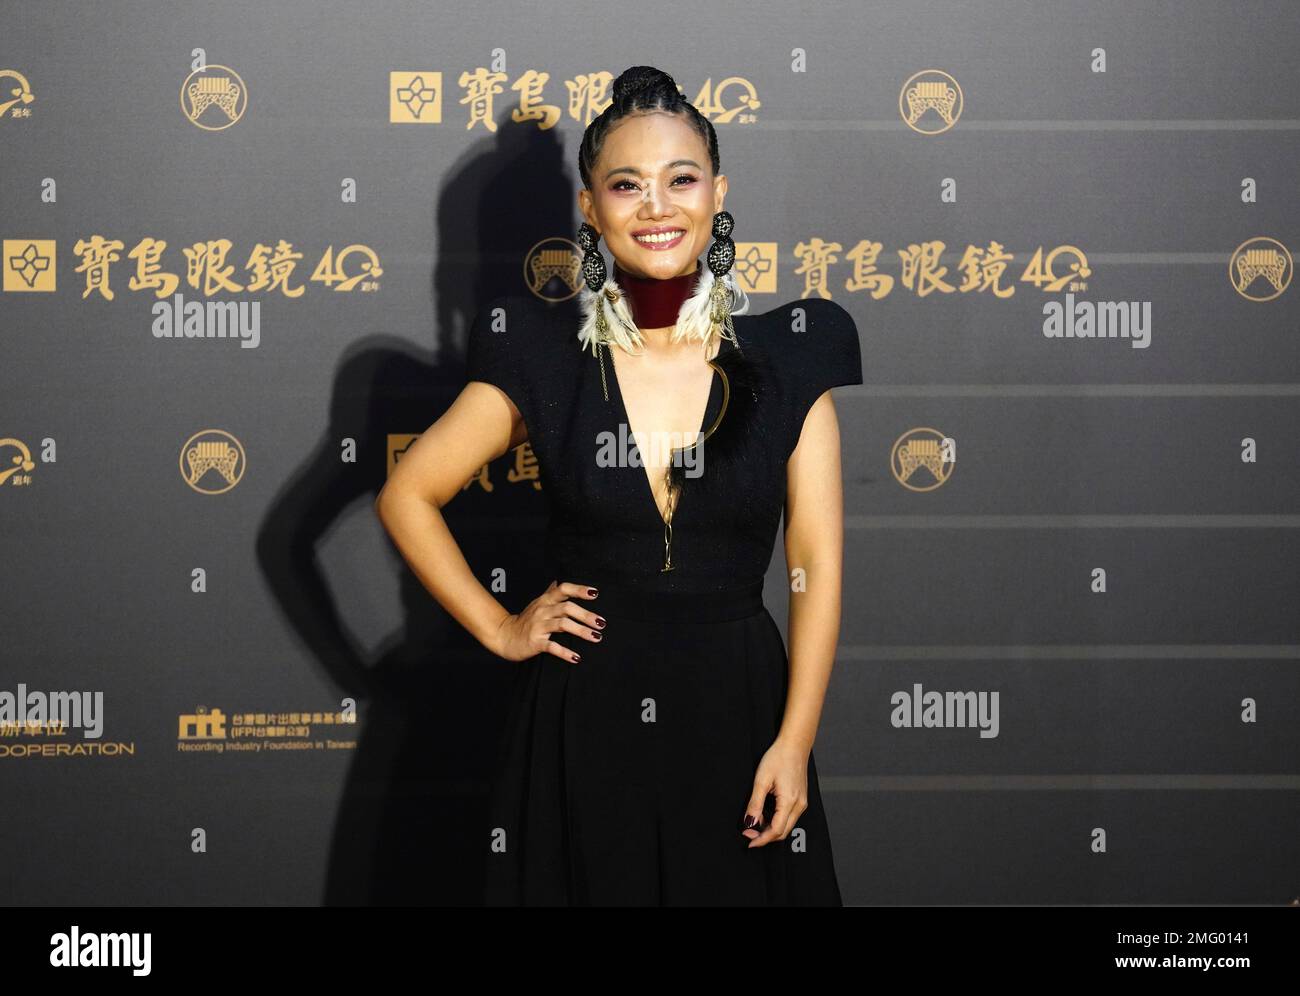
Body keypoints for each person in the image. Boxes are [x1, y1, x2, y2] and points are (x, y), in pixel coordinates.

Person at [375, 65, 862, 905]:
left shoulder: (793, 353)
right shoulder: (540, 359)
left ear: (717, 195)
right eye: (626, 185)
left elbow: (813, 562)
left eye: (681, 180)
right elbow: (406, 493)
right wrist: (499, 627)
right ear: (589, 210)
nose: (657, 207)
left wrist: (794, 741)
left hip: (738, 715)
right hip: (583, 718)